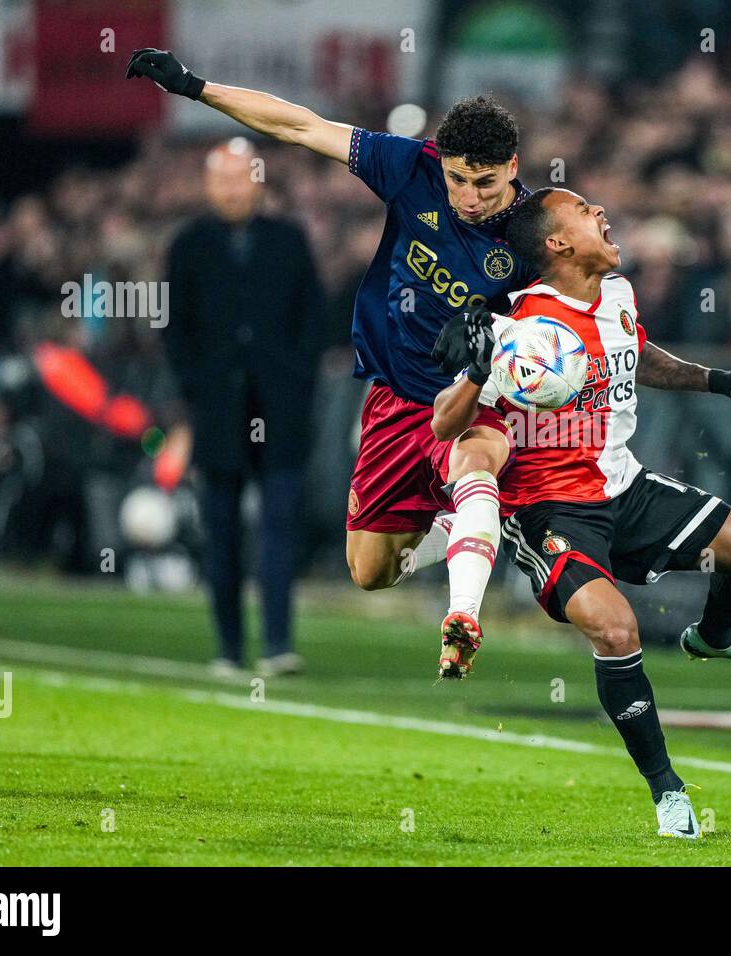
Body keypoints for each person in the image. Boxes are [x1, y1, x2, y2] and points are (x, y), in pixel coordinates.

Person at [126, 50, 530, 676]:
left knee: (476, 459)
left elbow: (586, 301)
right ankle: (453, 525)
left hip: (472, 394)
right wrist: (197, 88)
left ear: (513, 167)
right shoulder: (409, 167)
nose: (469, 198)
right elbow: (299, 125)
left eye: (485, 183)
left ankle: (466, 601)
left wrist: (500, 333)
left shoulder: (537, 229)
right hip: (394, 398)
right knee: (369, 572)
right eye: (457, 181)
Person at [431, 187, 731, 837]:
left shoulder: (622, 296)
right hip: (552, 512)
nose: (603, 214)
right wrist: (472, 368)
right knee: (617, 631)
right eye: (585, 212)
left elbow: (643, 360)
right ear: (557, 243)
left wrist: (722, 380)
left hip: (624, 488)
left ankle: (717, 635)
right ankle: (668, 794)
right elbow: (444, 423)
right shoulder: (512, 323)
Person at [163, 140, 326, 677]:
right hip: (217, 412)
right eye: (223, 180)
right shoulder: (188, 245)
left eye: (241, 178)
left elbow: (313, 317)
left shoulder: (289, 239)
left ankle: (278, 643)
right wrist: (194, 386)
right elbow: (175, 326)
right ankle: (229, 649)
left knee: (279, 524)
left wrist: (297, 379)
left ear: (258, 181)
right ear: (208, 185)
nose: (233, 189)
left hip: (279, 410)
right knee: (222, 532)